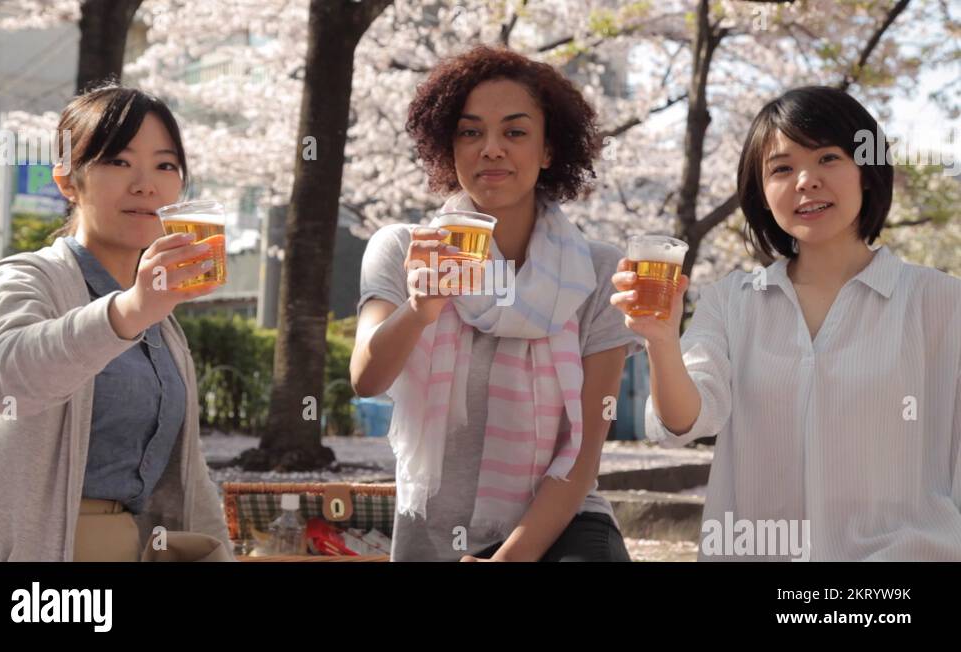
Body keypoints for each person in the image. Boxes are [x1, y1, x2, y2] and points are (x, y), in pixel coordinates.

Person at [610, 86, 961, 561]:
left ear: (867, 172)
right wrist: (660, 340)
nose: (805, 181)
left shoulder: (940, 302)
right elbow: (684, 421)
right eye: (781, 168)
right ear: (761, 193)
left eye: (828, 159)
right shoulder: (732, 302)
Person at [351, 46, 643, 562]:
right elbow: (367, 380)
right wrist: (421, 308)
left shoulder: (596, 272)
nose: (491, 149)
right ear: (449, 147)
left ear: (548, 150)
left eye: (514, 132)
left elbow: (583, 453)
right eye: (470, 132)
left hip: (560, 531)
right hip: (434, 534)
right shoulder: (403, 250)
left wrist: (510, 559)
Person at [0, 85, 233, 561]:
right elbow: (12, 381)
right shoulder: (22, 278)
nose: (146, 184)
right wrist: (132, 309)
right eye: (118, 161)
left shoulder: (161, 321)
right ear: (68, 181)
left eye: (165, 166)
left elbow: (189, 472)